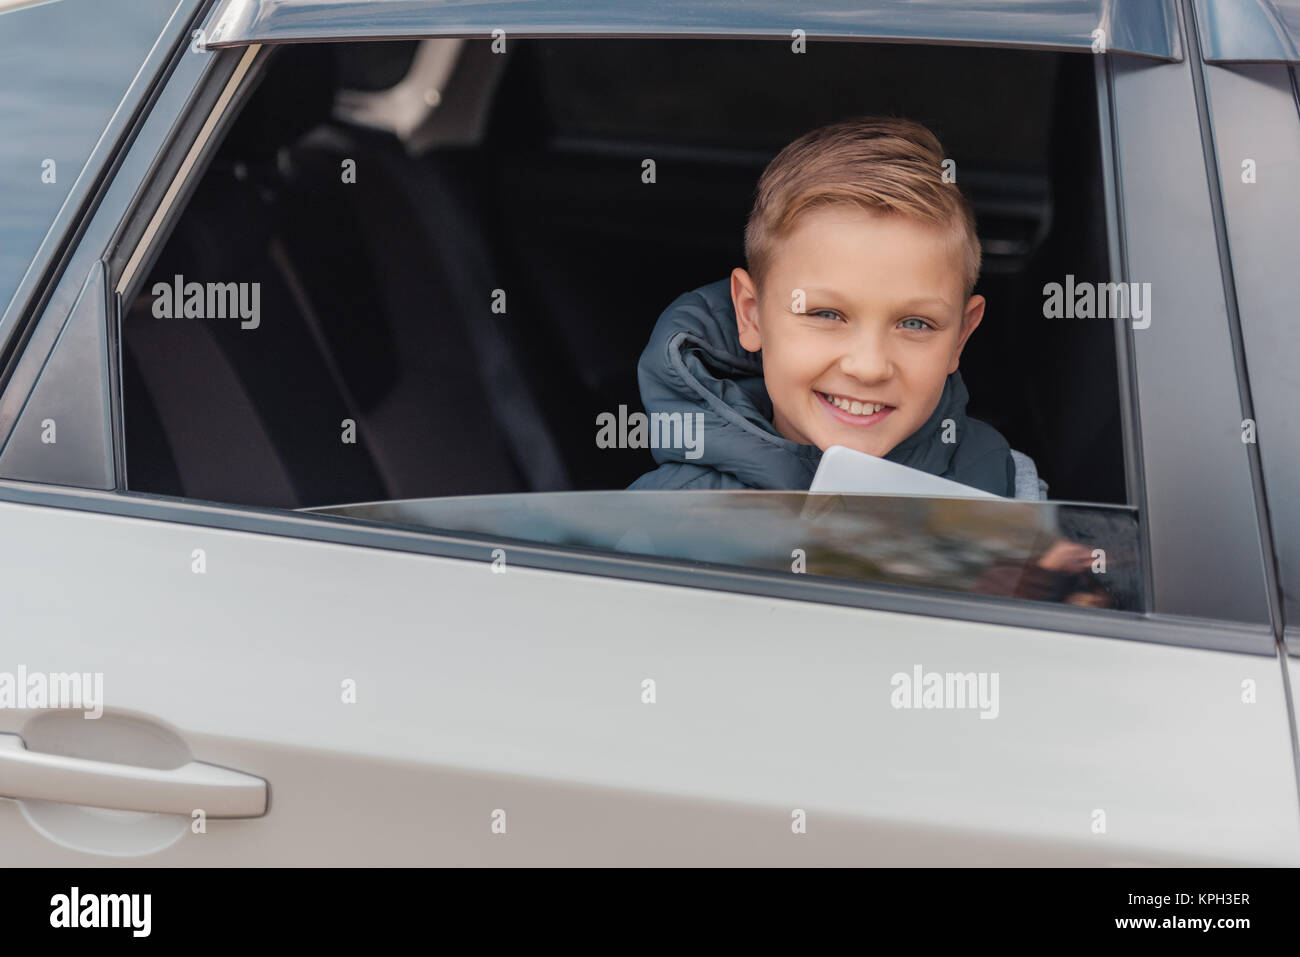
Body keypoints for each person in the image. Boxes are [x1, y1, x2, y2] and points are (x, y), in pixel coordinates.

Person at [629, 116, 1044, 498]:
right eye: (826, 315)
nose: (868, 367)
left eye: (915, 323)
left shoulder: (1004, 489)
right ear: (751, 314)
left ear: (960, 337)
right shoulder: (666, 519)